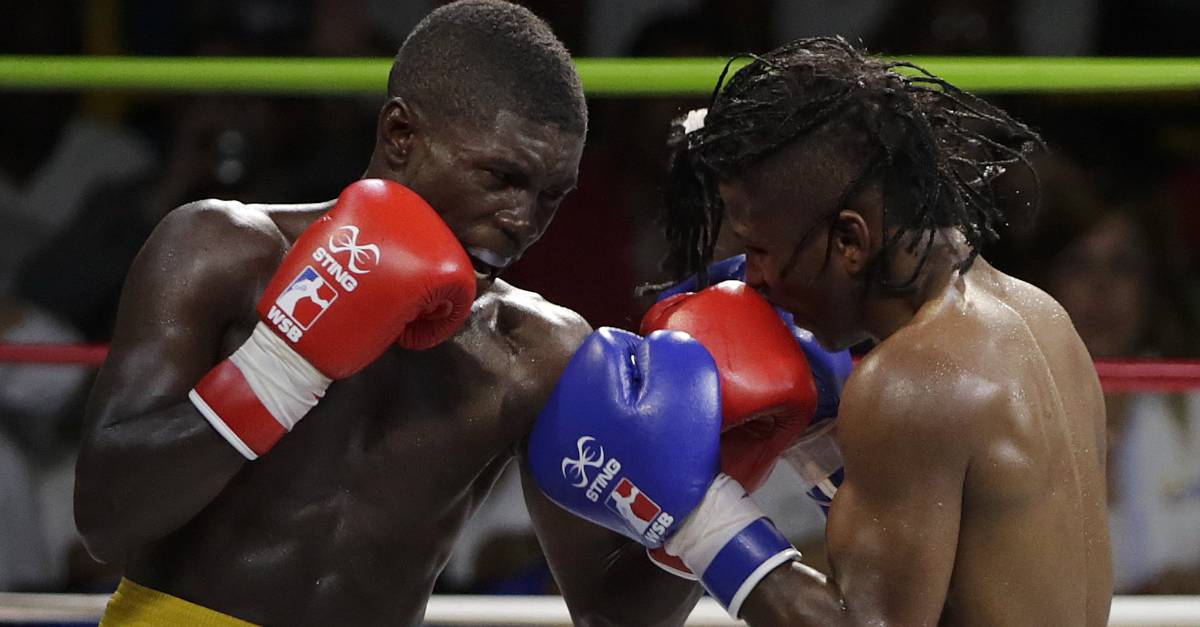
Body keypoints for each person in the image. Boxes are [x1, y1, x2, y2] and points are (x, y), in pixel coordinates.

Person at [72, 2, 711, 624]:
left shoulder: (535, 352)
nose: (523, 221)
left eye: (551, 196)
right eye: (501, 177)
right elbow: (106, 520)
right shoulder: (222, 251)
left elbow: (613, 614)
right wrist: (278, 369)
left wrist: (703, 492)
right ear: (400, 134)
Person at [529, 37, 1112, 626]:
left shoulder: (912, 383)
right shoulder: (1042, 318)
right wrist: (820, 447)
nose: (751, 279)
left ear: (849, 242)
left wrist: (700, 518)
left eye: (759, 249)